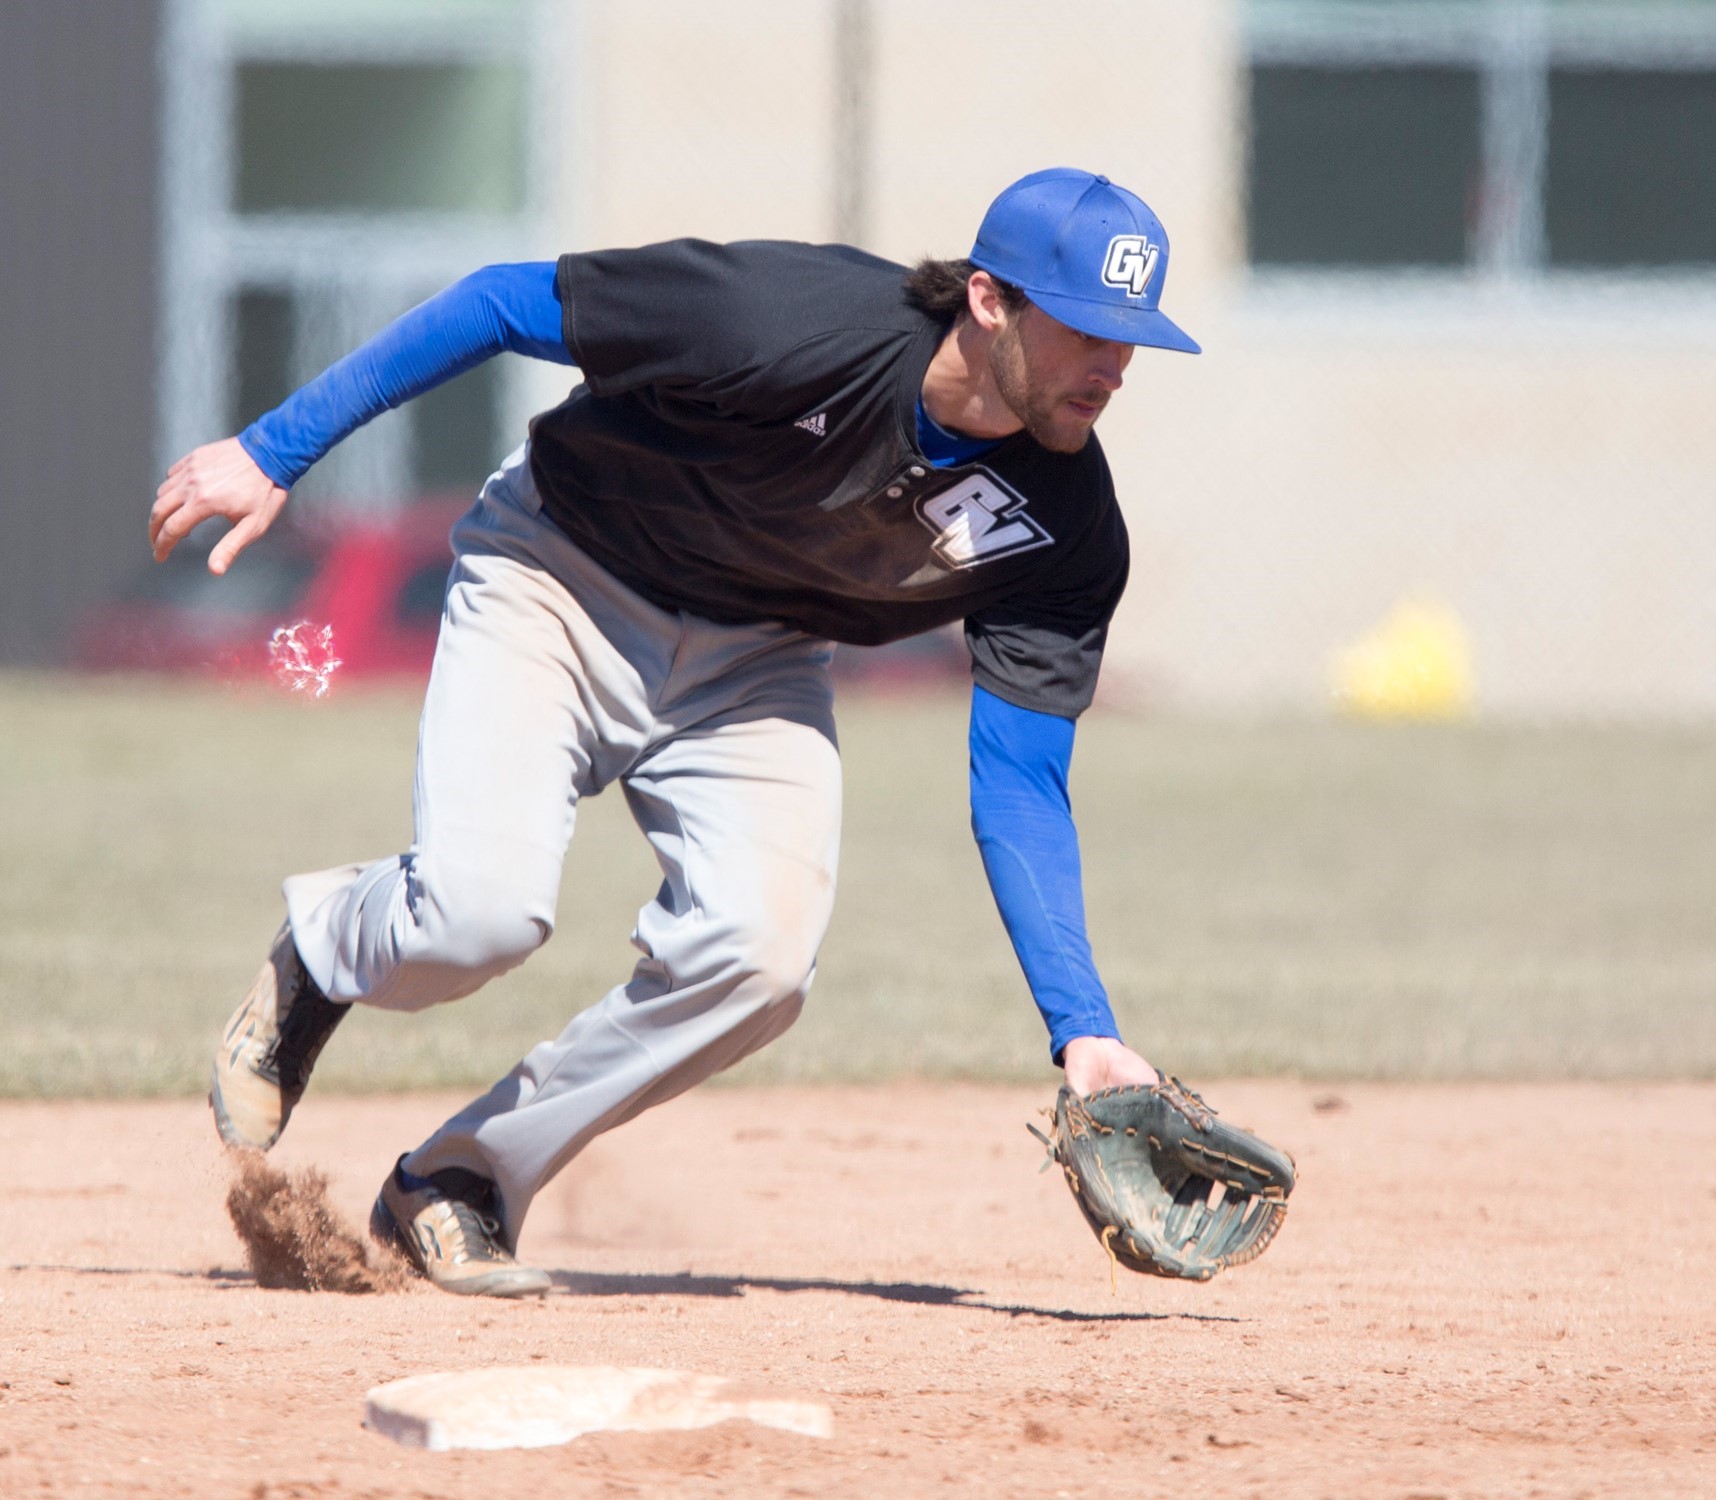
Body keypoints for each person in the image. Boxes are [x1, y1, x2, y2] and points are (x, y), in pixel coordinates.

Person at [154, 168, 1200, 1298]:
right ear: (988, 300)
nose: (1115, 363)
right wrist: (274, 449)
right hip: (560, 576)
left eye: (1131, 335)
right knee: (478, 917)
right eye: (1086, 327)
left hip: (758, 655)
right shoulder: (783, 320)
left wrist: (1081, 1031)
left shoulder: (1068, 528)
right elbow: (503, 298)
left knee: (760, 961)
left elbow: (1019, 782)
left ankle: (458, 1184)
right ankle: (321, 952)